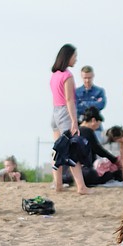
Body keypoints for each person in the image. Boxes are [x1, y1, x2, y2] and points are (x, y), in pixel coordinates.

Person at [49, 44, 90, 195]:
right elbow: (69, 100)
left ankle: (57, 184)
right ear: (68, 56)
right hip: (65, 114)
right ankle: (81, 187)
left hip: (55, 113)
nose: (76, 59)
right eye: (75, 56)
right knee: (73, 151)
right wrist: (74, 121)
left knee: (57, 150)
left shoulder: (54, 75)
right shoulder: (67, 76)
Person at [76, 109, 121, 186]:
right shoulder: (87, 131)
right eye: (98, 124)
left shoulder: (76, 129)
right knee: (113, 174)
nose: (97, 128)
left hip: (72, 172)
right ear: (93, 120)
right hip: (85, 172)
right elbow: (98, 149)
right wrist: (115, 160)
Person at [75, 66, 106, 139]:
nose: (87, 80)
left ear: (93, 76)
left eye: (89, 77)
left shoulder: (99, 91)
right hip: (80, 126)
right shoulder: (76, 92)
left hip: (96, 128)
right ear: (81, 77)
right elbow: (76, 107)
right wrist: (94, 103)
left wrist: (83, 103)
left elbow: (101, 105)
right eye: (85, 78)